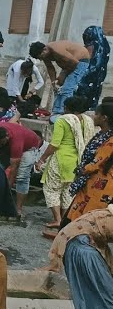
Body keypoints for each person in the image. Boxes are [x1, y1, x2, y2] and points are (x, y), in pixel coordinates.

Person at [45, 206, 113, 309]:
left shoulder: (104, 216)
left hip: (76, 244)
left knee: (94, 296)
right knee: (105, 296)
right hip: (81, 248)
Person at [39, 95, 94, 228]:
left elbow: (55, 144)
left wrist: (42, 159)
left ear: (67, 108)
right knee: (68, 191)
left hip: (60, 160)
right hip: (77, 162)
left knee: (51, 189)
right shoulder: (87, 120)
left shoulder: (63, 121)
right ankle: (64, 220)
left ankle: (57, 219)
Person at [64, 101, 113, 222]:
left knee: (85, 220)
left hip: (99, 185)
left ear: (104, 118)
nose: (93, 116)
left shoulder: (110, 140)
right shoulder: (102, 135)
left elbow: (97, 162)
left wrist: (82, 169)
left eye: (96, 114)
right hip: (92, 182)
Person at [0, 119, 44, 215]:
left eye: (4, 142)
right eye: (1, 143)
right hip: (7, 144)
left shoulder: (16, 141)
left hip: (29, 146)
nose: (1, 144)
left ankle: (18, 209)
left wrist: (5, 193)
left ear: (7, 137)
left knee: (22, 177)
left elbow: (13, 170)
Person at [36, 38, 91, 119]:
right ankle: (56, 112)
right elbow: (50, 68)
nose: (41, 59)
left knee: (67, 88)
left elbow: (74, 62)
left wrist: (63, 74)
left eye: (41, 56)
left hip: (80, 61)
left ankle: (65, 113)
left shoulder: (57, 49)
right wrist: (54, 82)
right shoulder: (45, 54)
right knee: (58, 88)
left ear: (44, 49)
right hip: (68, 64)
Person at [75, 25, 110, 105]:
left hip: (89, 74)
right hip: (99, 75)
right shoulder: (105, 45)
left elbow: (89, 59)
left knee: (82, 96)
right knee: (94, 93)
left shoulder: (92, 45)